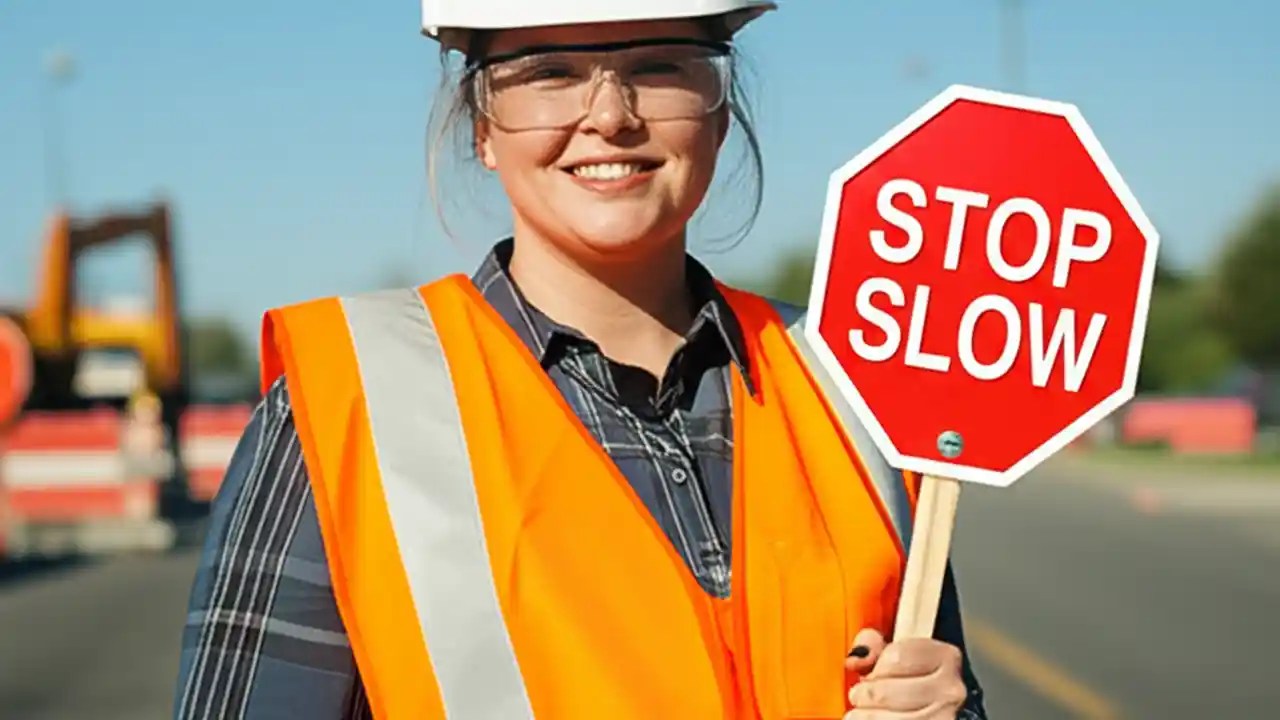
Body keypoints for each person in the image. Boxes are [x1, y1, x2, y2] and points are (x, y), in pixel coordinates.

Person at [173, 2, 989, 718]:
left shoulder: (853, 386)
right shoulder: (350, 403)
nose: (610, 115)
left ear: (720, 112)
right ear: (482, 128)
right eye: (550, 71)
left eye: (659, 64)